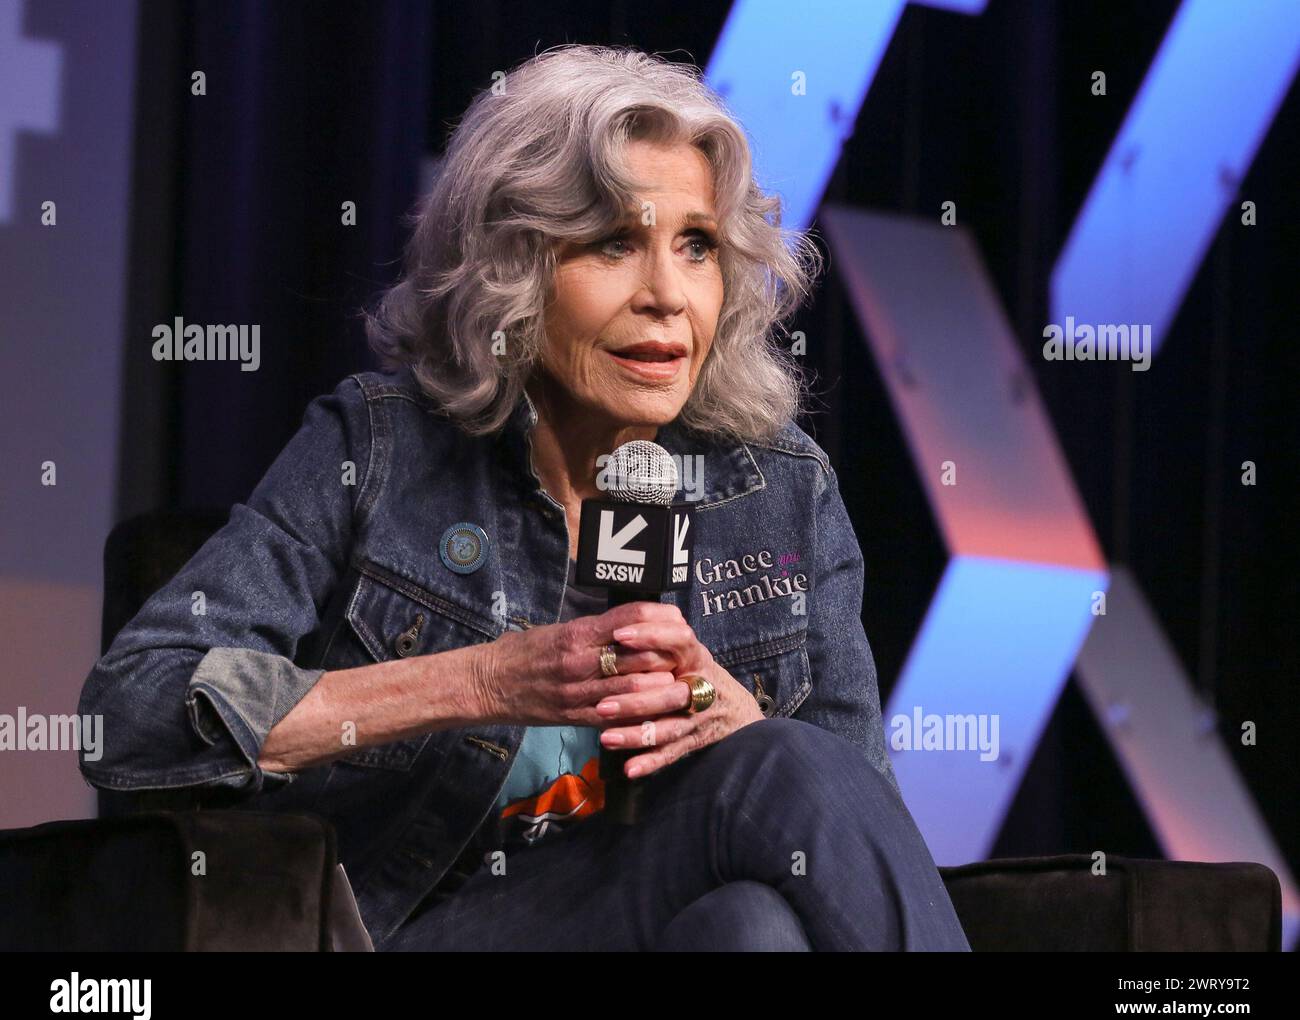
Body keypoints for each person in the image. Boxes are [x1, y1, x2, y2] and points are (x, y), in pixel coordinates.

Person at [79, 43, 970, 952]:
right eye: (615, 243)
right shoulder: (382, 447)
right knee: (776, 782)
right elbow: (130, 716)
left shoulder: (779, 488)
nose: (667, 296)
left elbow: (859, 829)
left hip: (647, 913)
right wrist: (484, 678)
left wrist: (739, 722)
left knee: (754, 926)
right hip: (425, 930)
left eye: (695, 246)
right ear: (514, 268)